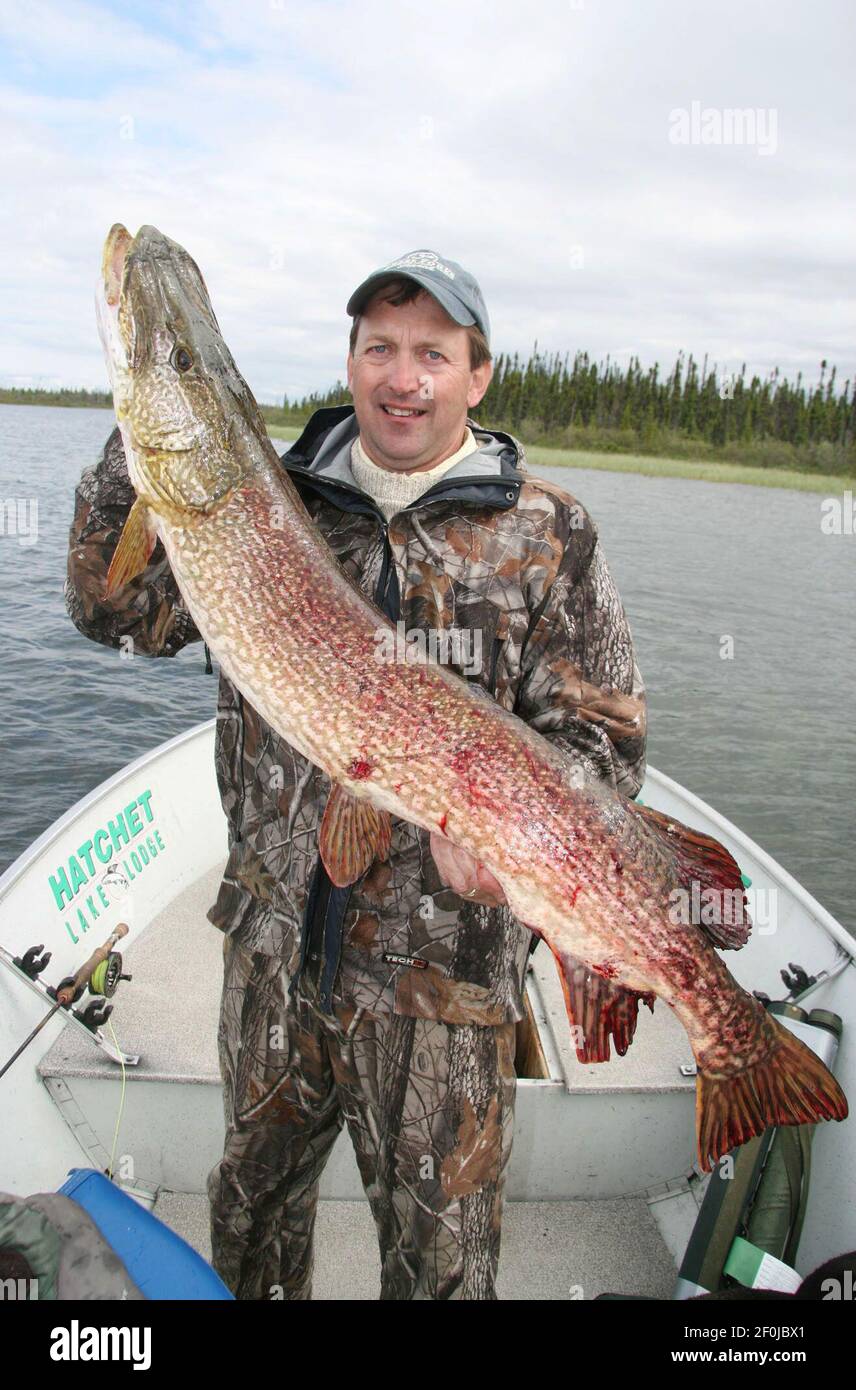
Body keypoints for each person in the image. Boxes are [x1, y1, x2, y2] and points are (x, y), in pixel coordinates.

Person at [65, 248, 647, 1300]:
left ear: (477, 375)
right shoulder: (265, 502)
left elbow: (605, 750)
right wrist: (138, 433)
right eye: (380, 345)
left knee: (441, 1270)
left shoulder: (548, 532)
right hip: (274, 952)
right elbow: (113, 615)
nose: (402, 375)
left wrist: (505, 847)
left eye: (434, 350)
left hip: (446, 987)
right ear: (350, 362)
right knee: (250, 1220)